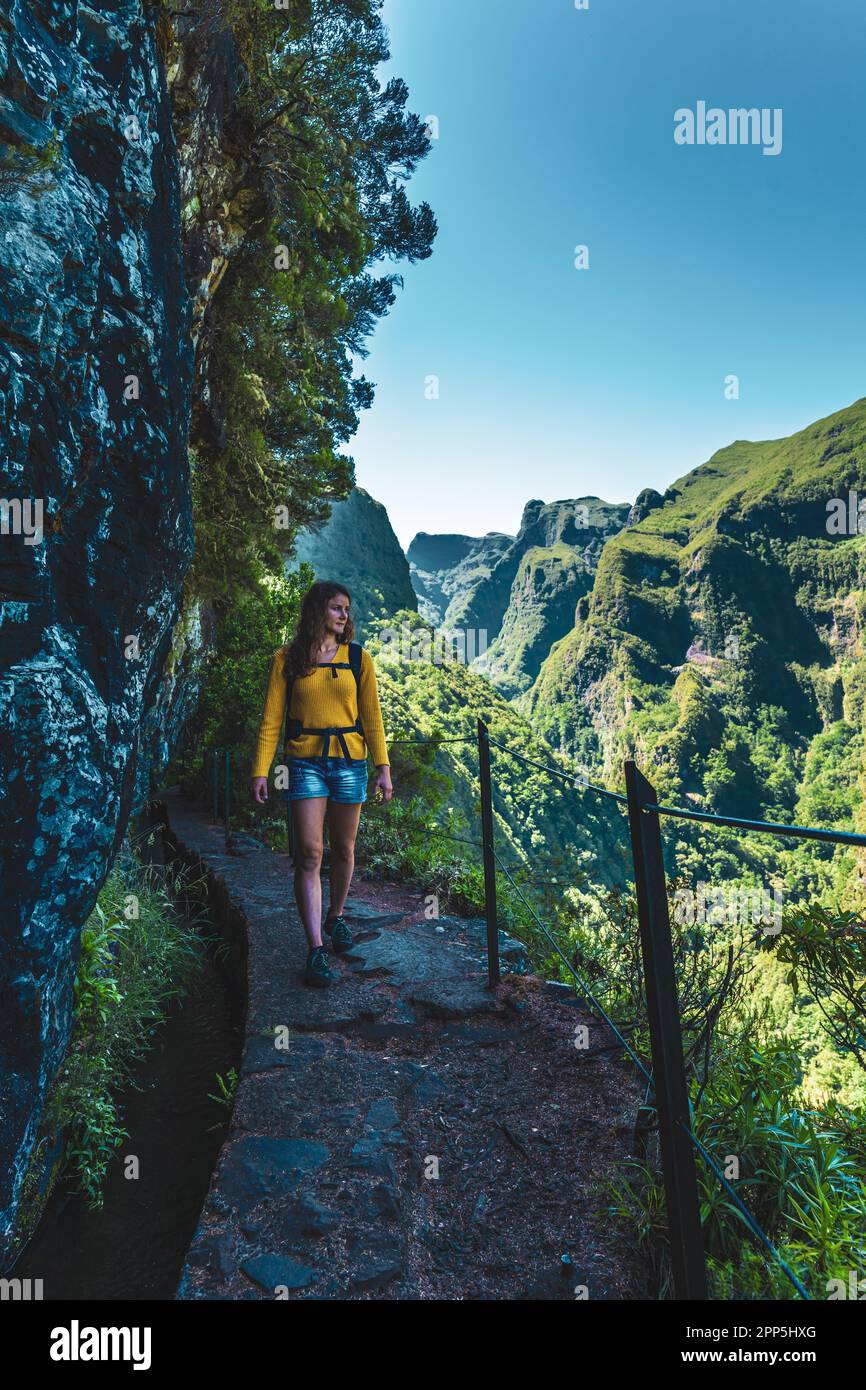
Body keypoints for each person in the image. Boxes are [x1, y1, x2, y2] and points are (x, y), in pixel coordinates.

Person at [250, 581, 393, 986]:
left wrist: (383, 766)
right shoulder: (287, 659)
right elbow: (272, 720)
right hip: (305, 763)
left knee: (345, 848)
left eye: (347, 609)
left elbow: (372, 718)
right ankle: (315, 949)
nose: (344, 615)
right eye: (335, 608)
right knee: (311, 854)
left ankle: (336, 917)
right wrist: (260, 770)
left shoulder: (358, 659)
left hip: (350, 762)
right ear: (317, 612)